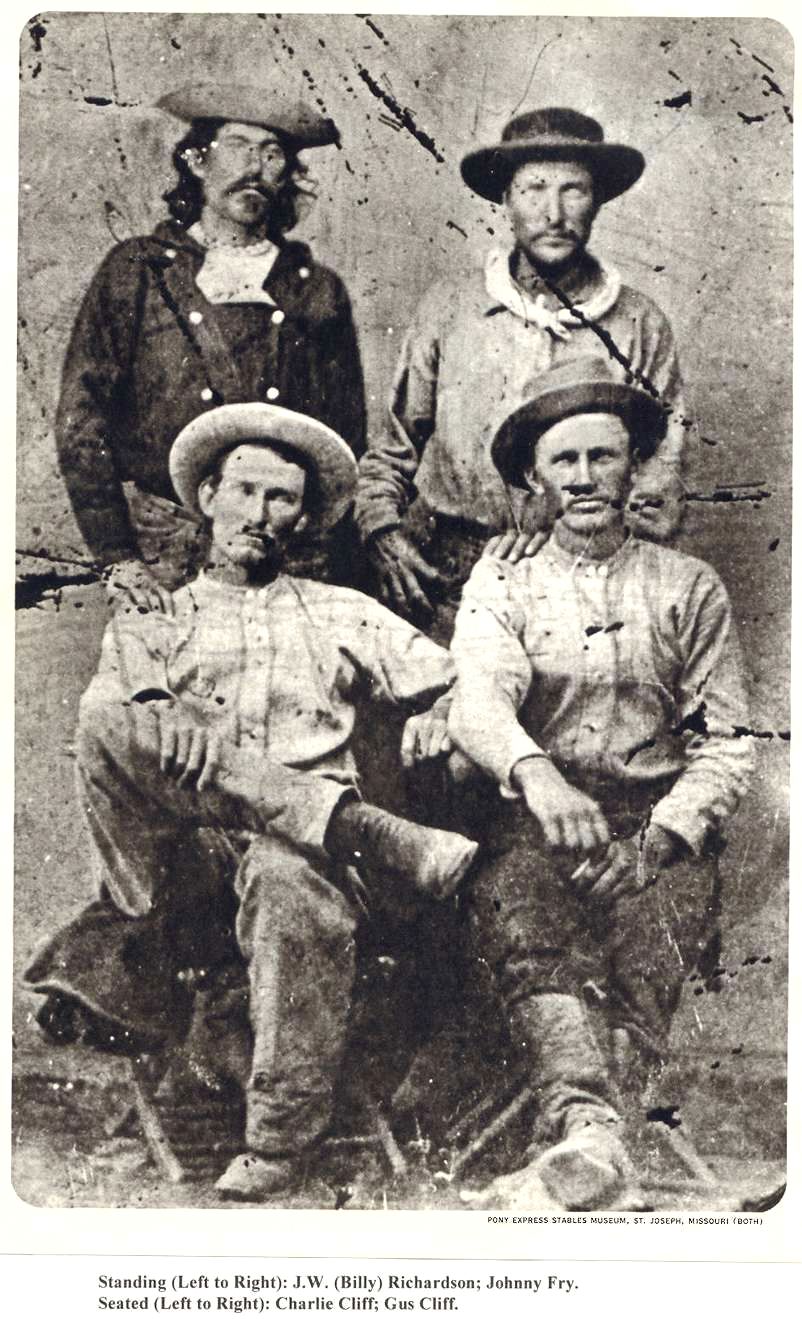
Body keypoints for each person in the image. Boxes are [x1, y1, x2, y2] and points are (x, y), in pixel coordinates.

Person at [26, 402, 476, 1201]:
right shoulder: (153, 619)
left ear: (303, 516)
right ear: (207, 498)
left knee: (285, 872)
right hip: (174, 866)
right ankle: (350, 822)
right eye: (243, 491)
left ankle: (276, 1143)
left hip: (304, 868)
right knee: (106, 716)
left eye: (282, 499)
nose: (259, 515)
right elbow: (107, 744)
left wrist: (442, 713)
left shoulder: (342, 610)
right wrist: (166, 707)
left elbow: (464, 681)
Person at [447, 356, 754, 1209]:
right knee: (524, 913)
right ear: (535, 476)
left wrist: (656, 841)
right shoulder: (504, 579)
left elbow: (730, 742)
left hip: (660, 825)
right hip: (537, 822)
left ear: (632, 466)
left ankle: (586, 1146)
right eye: (564, 460)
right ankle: (592, 1129)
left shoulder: (688, 586)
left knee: (653, 929)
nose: (584, 478)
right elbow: (476, 698)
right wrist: (538, 776)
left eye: (603, 457)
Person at [357, 108, 692, 641]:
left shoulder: (637, 323)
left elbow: (660, 476)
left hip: (584, 584)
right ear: (506, 201)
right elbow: (391, 450)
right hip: (451, 579)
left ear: (598, 201)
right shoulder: (450, 308)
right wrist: (382, 530)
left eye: (573, 190)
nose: (553, 212)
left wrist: (575, 547)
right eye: (534, 189)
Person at [56, 83, 366, 606]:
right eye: (240, 147)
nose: (256, 169)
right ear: (197, 161)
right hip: (162, 551)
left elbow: (345, 436)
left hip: (284, 550)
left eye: (273, 156)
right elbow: (82, 422)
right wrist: (118, 558)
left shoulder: (316, 288)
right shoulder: (138, 270)